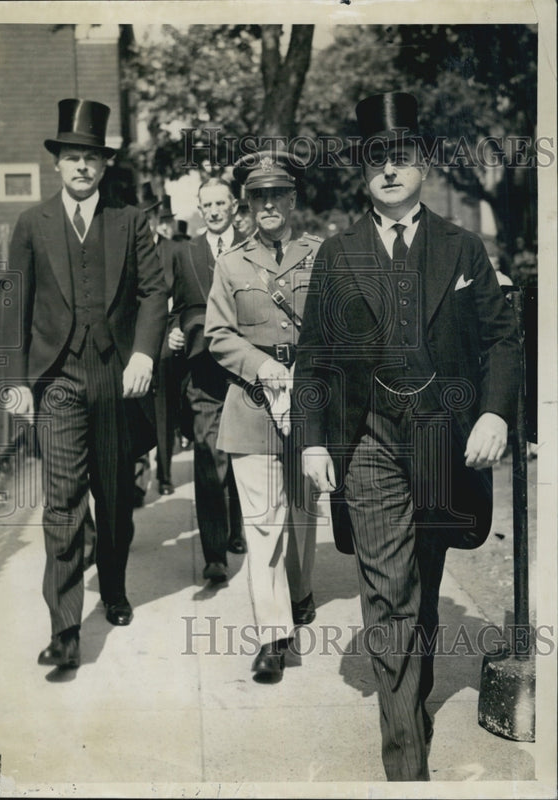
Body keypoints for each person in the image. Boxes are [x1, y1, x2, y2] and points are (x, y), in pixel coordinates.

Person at [294, 93, 520, 779]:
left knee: (420, 583)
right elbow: (316, 357)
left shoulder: (462, 248)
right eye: (375, 159)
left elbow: (503, 336)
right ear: (362, 173)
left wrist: (496, 412)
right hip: (367, 444)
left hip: (442, 444)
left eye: (401, 156)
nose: (389, 169)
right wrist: (310, 440)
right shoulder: (338, 255)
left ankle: (409, 705)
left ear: (421, 162)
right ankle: (405, 763)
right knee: (388, 595)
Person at [7, 99, 168, 669]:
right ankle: (67, 627)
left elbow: (154, 292)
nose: (81, 167)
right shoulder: (33, 224)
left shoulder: (129, 222)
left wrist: (144, 353)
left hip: (115, 376)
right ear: (57, 163)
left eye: (91, 158)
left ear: (103, 165)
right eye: (72, 157)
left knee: (115, 495)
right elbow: (16, 306)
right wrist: (19, 382)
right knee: (63, 501)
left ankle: (116, 586)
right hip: (56, 380)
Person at [205, 151, 323, 681]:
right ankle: (272, 637)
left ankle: (300, 595)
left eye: (278, 194)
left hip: (311, 409)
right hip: (251, 409)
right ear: (247, 205)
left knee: (302, 518)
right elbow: (217, 334)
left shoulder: (321, 256)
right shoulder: (231, 264)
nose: (268, 204)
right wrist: (261, 368)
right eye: (258, 196)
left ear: (293, 200)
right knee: (263, 527)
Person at [170, 178, 247, 583]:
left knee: (241, 457)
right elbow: (173, 304)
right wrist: (173, 332)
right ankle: (215, 553)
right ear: (200, 209)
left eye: (222, 203)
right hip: (202, 374)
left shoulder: (252, 246)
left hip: (247, 372)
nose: (215, 211)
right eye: (208, 205)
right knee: (207, 458)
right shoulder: (185, 253)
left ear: (234, 206)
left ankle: (238, 527)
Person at [141, 184, 190, 495]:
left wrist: (177, 329)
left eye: (149, 217)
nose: (144, 224)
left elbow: (184, 298)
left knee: (163, 407)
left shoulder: (174, 251)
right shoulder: (128, 251)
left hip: (166, 338)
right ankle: (138, 472)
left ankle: (165, 473)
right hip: (137, 337)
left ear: (157, 217)